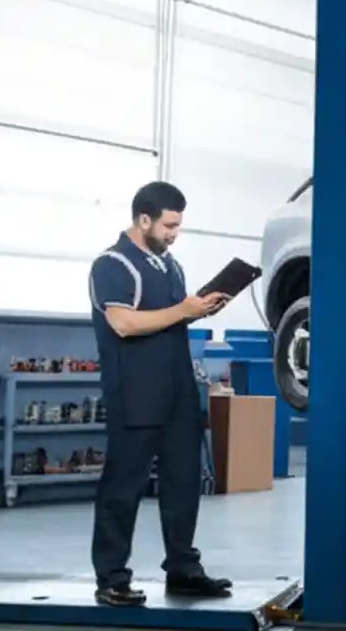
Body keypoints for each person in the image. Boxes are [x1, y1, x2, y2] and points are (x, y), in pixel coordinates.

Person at [87, 181, 233, 607]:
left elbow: (169, 321)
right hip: (135, 393)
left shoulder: (170, 267)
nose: (174, 234)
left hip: (177, 393)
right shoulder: (112, 264)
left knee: (184, 482)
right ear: (144, 219)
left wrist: (200, 309)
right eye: (169, 225)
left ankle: (184, 569)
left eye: (178, 226)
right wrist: (184, 310)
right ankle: (112, 577)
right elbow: (124, 324)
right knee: (123, 486)